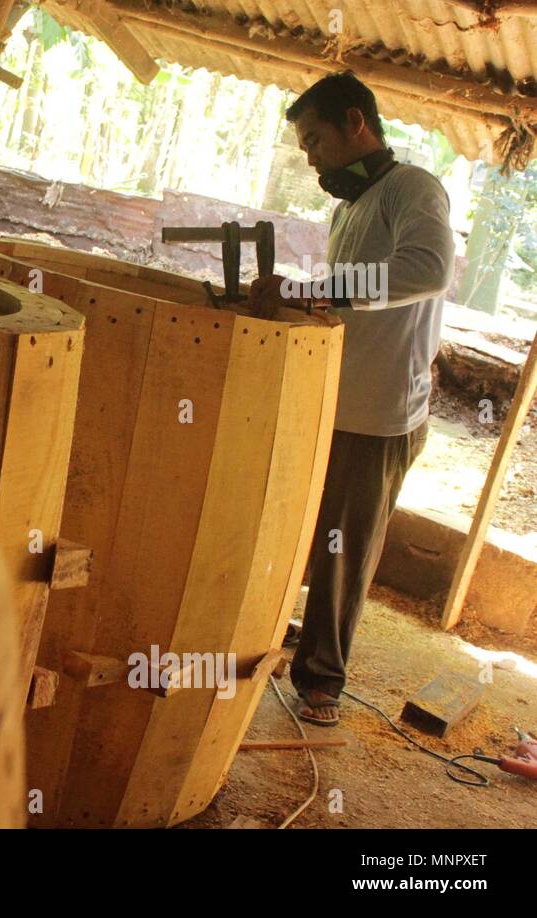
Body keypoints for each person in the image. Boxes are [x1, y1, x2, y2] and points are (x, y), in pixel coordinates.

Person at [247, 71, 455, 726]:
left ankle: (322, 680)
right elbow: (349, 291)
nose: (309, 157)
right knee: (311, 527)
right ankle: (304, 636)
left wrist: (315, 292)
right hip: (336, 398)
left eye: (314, 141)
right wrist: (301, 295)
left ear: (354, 124)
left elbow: (428, 270)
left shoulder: (414, 189)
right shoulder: (348, 209)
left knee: (345, 543)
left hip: (382, 410)